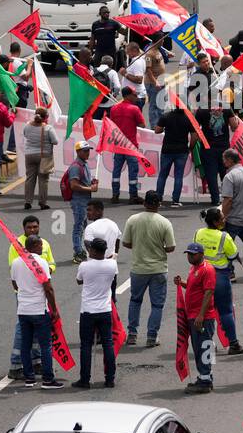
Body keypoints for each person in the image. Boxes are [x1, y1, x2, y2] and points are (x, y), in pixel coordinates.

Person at [123, 191, 176, 347]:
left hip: (139, 269)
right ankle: (152, 336)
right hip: (158, 269)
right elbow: (171, 247)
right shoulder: (165, 222)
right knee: (157, 305)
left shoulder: (133, 220)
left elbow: (126, 242)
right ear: (159, 204)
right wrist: (160, 248)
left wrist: (138, 246)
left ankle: (132, 334)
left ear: (144, 203)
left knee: (135, 301)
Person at [7, 215, 57, 379]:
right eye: (29, 227)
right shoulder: (16, 245)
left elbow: (51, 263)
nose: (33, 229)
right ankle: (16, 364)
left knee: (34, 333)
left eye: (35, 227)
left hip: (39, 293)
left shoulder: (45, 244)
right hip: (26, 295)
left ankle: (35, 363)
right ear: (24, 228)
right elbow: (15, 273)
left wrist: (46, 272)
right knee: (23, 331)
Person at [11, 236, 63, 390]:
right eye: (41, 245)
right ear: (35, 246)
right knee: (45, 345)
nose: (42, 248)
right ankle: (48, 379)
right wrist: (54, 309)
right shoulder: (41, 262)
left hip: (23, 310)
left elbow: (14, 283)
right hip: (39, 310)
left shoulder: (16, 262)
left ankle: (29, 378)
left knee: (25, 346)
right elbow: (48, 288)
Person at [194, 207, 243, 354]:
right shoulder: (224, 236)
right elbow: (233, 254)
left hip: (201, 276)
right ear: (216, 222)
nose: (224, 220)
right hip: (219, 277)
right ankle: (233, 344)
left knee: (205, 311)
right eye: (222, 218)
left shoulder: (198, 233)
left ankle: (208, 344)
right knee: (226, 312)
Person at [74, 238, 118, 390]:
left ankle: (85, 379)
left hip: (88, 310)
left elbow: (79, 281)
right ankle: (110, 379)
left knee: (85, 345)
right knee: (108, 344)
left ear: (92, 250)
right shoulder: (112, 265)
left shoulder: (84, 266)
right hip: (105, 310)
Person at [175, 242, 218, 394]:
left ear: (201, 254)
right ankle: (205, 376)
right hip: (193, 315)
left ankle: (205, 381)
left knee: (204, 347)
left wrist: (200, 315)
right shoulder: (195, 268)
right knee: (200, 347)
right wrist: (182, 283)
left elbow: (208, 293)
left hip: (202, 317)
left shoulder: (207, 270)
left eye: (192, 254)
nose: (190, 256)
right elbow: (195, 288)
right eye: (188, 254)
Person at [107, 87, 146, 204]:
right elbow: (142, 124)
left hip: (118, 144)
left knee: (116, 171)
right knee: (133, 171)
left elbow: (111, 124)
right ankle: (133, 196)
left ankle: (115, 194)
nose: (136, 97)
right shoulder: (134, 109)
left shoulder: (114, 108)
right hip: (131, 146)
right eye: (134, 95)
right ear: (128, 95)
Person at [153, 102, 193, 208]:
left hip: (167, 150)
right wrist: (190, 148)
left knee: (162, 175)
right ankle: (175, 201)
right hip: (182, 150)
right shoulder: (189, 118)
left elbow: (157, 130)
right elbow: (195, 136)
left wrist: (165, 128)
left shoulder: (166, 116)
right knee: (178, 176)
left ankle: (158, 200)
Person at [65, 142, 99, 263]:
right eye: (85, 151)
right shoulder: (75, 166)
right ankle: (78, 252)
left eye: (88, 150)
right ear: (78, 152)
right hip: (79, 202)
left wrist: (92, 183)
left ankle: (85, 249)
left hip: (85, 201)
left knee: (85, 227)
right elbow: (74, 185)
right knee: (78, 227)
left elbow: (84, 182)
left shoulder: (84, 165)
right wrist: (90, 188)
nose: (87, 153)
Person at [22, 107, 60, 211]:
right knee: (43, 180)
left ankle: (27, 202)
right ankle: (42, 203)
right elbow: (55, 141)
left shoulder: (27, 126)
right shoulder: (48, 128)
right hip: (44, 156)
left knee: (30, 179)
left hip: (29, 155)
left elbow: (25, 135)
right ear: (46, 117)